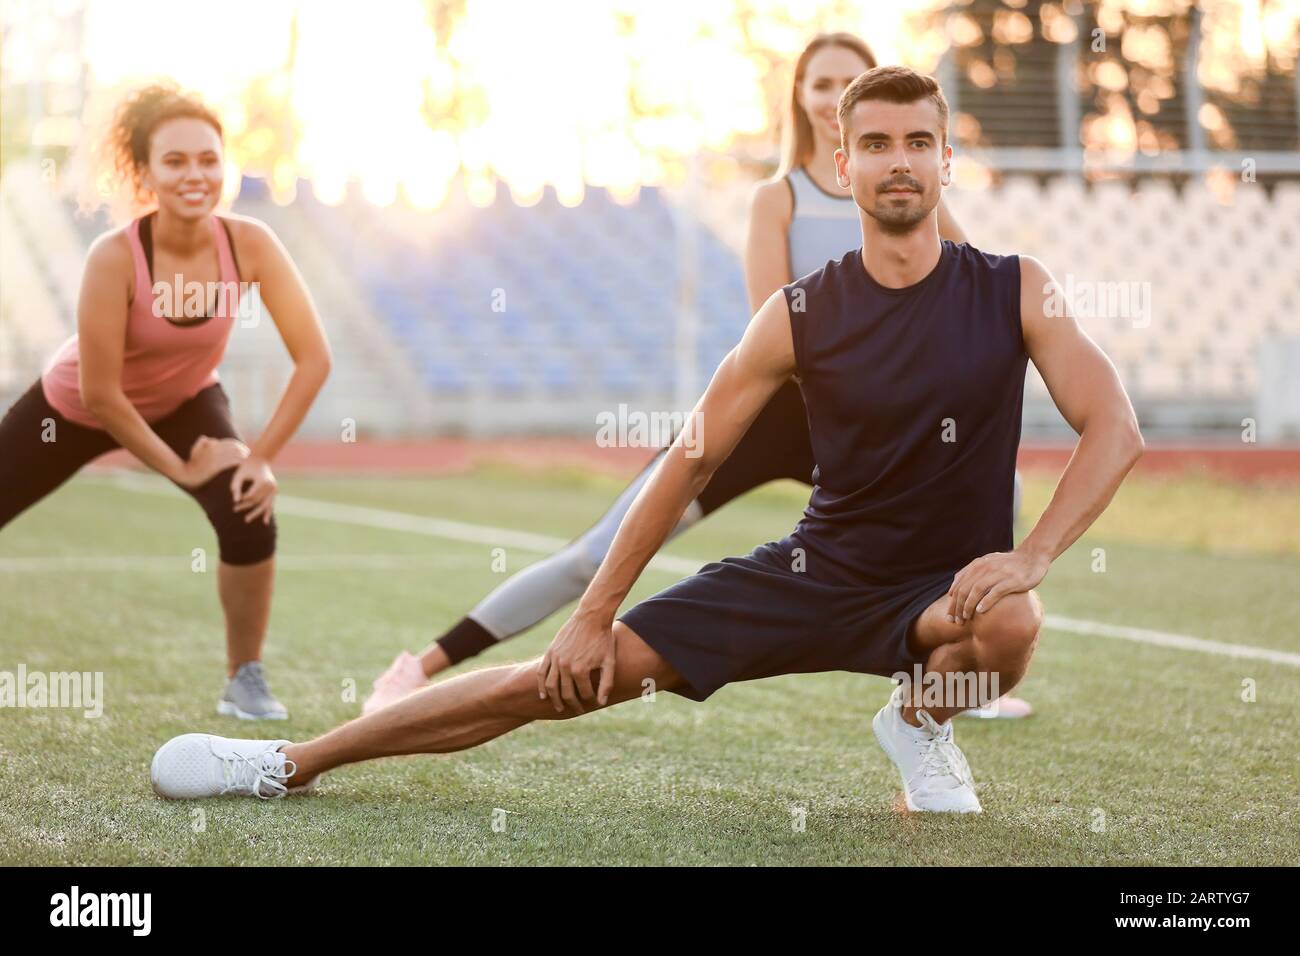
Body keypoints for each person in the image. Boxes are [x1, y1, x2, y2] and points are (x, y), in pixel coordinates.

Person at [150, 67, 1142, 812]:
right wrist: (592, 610)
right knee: (557, 683)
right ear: (842, 167)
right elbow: (690, 459)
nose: (897, 160)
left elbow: (1114, 424)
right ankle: (288, 761)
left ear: (944, 161)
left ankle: (920, 721)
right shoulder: (797, 313)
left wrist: (1030, 554)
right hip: (813, 572)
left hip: (940, 592)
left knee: (1012, 624)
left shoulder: (1013, 286)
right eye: (874, 143)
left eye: (917, 141)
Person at [363, 32, 1030, 720]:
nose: (835, 97)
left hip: (871, 431)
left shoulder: (919, 191)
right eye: (822, 84)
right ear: (802, 98)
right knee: (593, 557)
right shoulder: (781, 197)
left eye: (849, 83)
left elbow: (962, 302)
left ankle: (955, 680)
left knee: (992, 490)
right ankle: (422, 667)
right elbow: (774, 319)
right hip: (784, 416)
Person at [0, 84, 332, 719]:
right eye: (175, 160)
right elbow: (102, 393)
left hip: (183, 399)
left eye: (208, 159)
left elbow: (314, 359)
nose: (195, 174)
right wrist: (181, 469)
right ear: (146, 171)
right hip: (71, 410)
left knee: (247, 508)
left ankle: (245, 677)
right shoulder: (115, 257)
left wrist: (259, 459)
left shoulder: (251, 244)